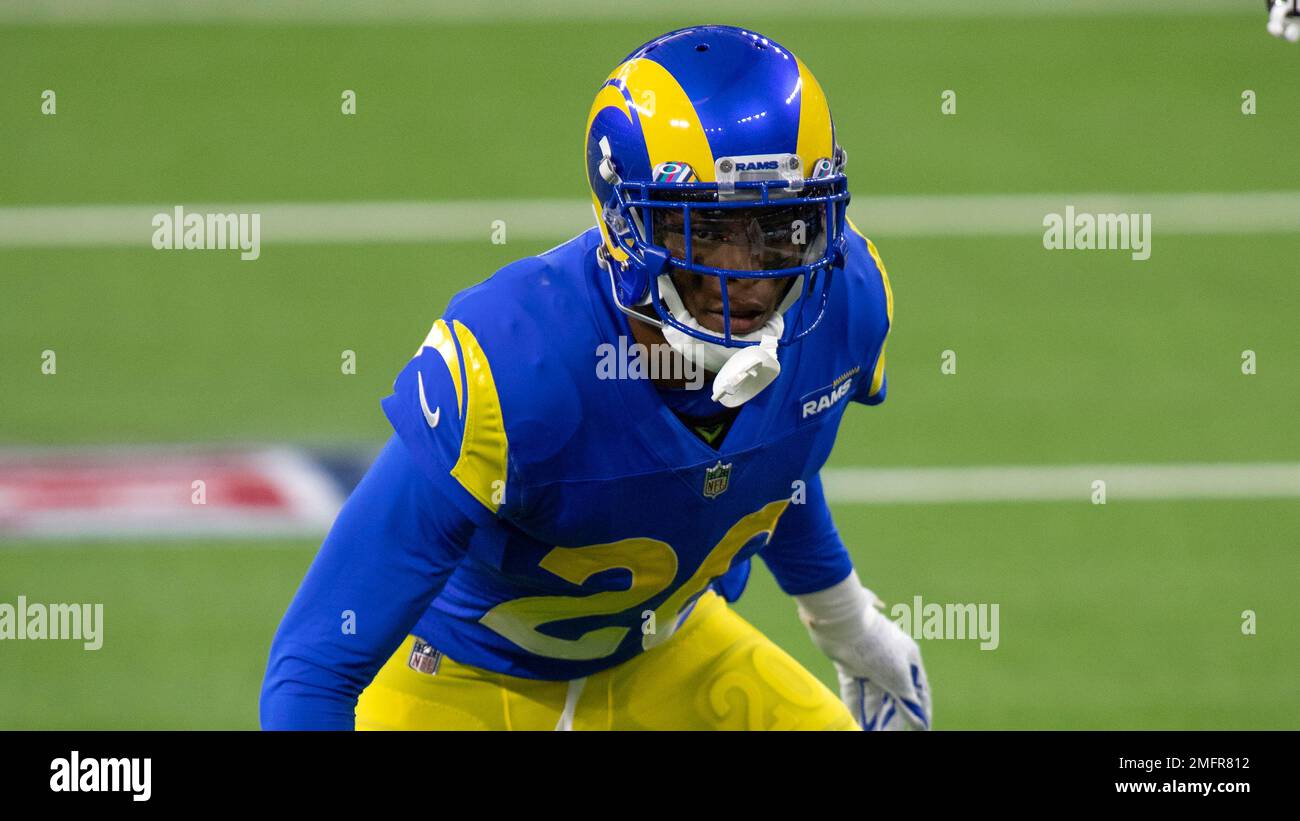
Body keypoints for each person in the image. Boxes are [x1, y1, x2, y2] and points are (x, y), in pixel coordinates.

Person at [260, 24, 930, 731]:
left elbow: (772, 461)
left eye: (778, 225)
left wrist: (845, 619)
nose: (750, 276)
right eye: (704, 231)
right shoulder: (518, 368)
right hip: (458, 681)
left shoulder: (843, 303)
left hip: (667, 656)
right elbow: (312, 668)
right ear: (625, 222)